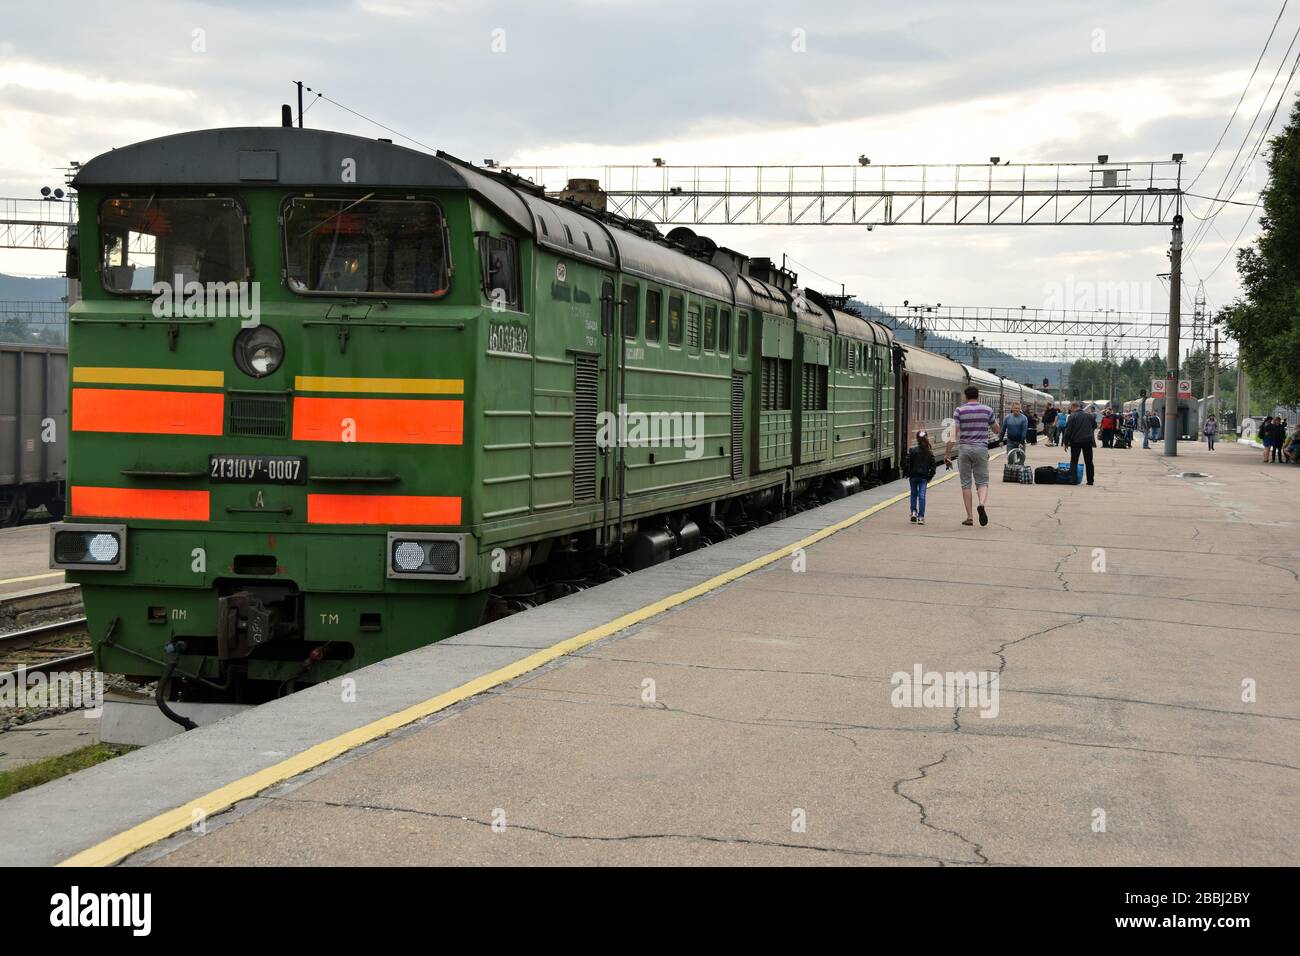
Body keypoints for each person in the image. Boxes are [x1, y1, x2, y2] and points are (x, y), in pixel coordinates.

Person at [946, 384, 997, 527]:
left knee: (966, 483)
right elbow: (996, 429)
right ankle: (981, 504)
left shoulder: (959, 410)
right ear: (978, 396)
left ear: (966, 396)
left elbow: (953, 433)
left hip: (964, 449)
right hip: (981, 449)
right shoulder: (987, 410)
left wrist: (947, 453)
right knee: (982, 482)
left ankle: (969, 517)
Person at [904, 430, 937, 526]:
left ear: (917, 439)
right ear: (926, 438)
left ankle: (913, 512)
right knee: (922, 496)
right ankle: (921, 517)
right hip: (923, 477)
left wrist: (908, 474)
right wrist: (929, 477)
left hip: (913, 476)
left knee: (913, 494)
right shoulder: (929, 453)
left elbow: (907, 463)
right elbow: (933, 467)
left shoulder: (912, 450)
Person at [1061, 401, 1096, 485]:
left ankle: (1073, 480)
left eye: (1071, 408)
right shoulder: (1089, 416)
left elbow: (1068, 431)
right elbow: (1094, 426)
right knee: (1089, 461)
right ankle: (1090, 481)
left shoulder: (1072, 417)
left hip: (1075, 442)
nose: (1070, 410)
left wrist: (1065, 442)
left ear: (1074, 407)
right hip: (1087, 441)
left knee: (1074, 461)